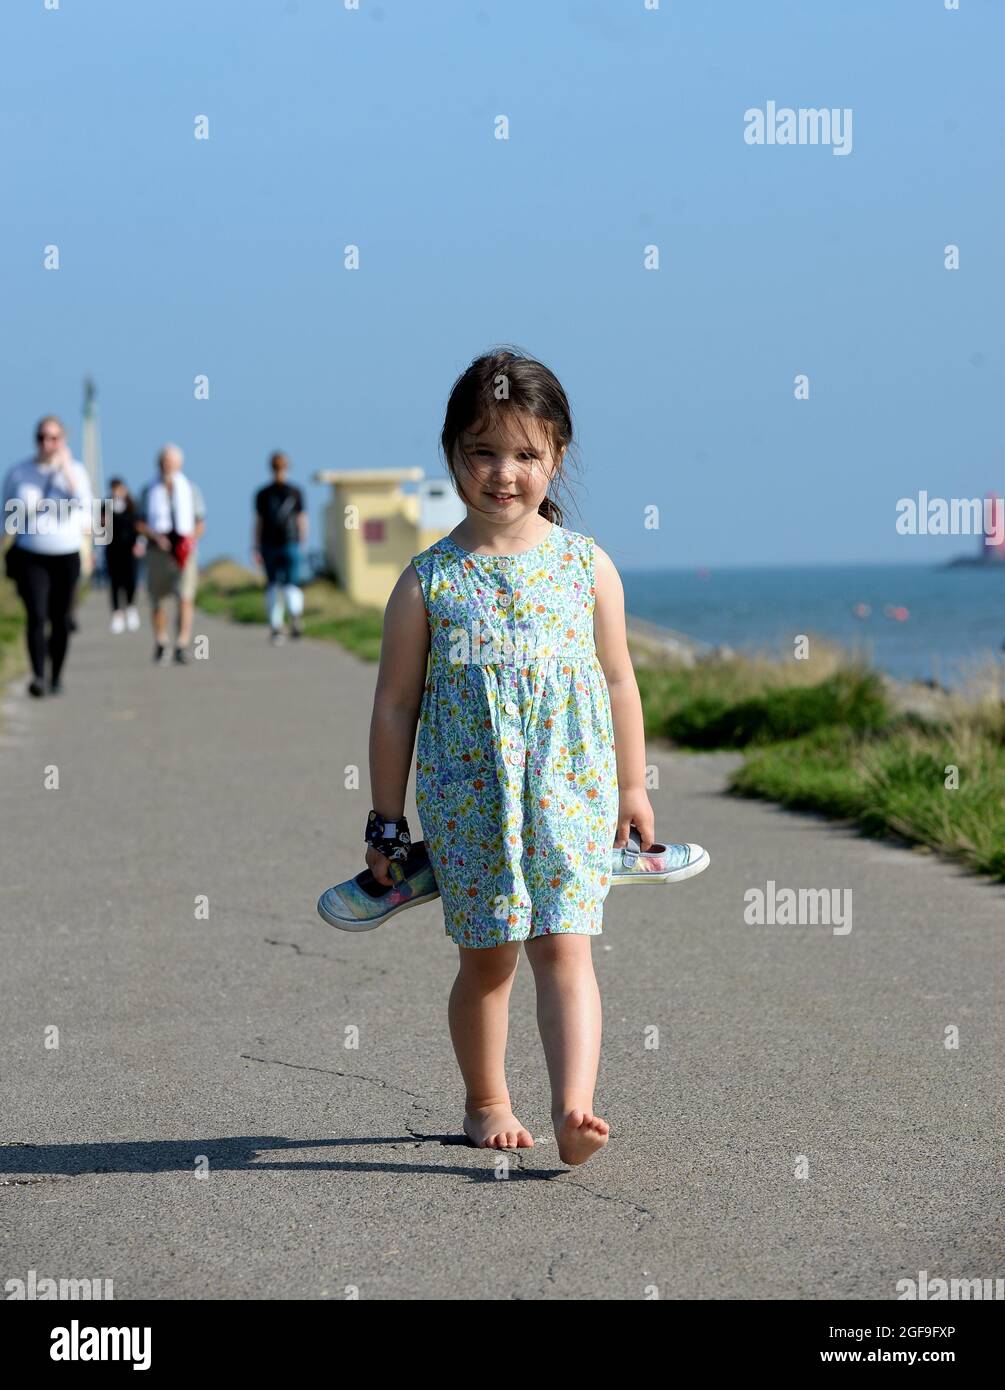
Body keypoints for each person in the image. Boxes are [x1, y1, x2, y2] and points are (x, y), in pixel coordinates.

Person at [362, 349, 660, 1167]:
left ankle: (573, 1106)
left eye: (526, 454)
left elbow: (617, 678)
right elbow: (394, 706)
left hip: (571, 792)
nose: (504, 473)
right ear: (453, 455)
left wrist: (632, 785)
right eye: (484, 452)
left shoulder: (585, 566)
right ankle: (486, 1098)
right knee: (489, 958)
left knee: (565, 945)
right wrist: (386, 823)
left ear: (556, 455)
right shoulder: (428, 581)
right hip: (469, 802)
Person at [2, 415, 92, 697]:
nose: (47, 443)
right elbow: (5, 514)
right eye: (42, 437)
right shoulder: (19, 473)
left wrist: (65, 469)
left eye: (53, 438)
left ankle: (56, 675)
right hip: (31, 554)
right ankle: (38, 676)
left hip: (66, 553)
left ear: (63, 440)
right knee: (37, 615)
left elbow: (86, 507)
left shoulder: (76, 471)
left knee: (61, 618)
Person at [135, 444, 206, 665]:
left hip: (184, 551)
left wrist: (190, 540)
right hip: (158, 551)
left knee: (185, 597)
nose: (168, 466)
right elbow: (139, 522)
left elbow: (200, 521)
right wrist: (155, 537)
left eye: (172, 462)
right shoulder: (149, 491)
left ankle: (183, 643)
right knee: (157, 600)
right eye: (165, 462)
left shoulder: (190, 489)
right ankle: (161, 641)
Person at [253, 451, 307, 645]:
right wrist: (302, 542)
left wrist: (256, 547)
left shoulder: (263, 493)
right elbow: (302, 520)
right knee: (291, 584)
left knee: (275, 585)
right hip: (289, 543)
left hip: (271, 544)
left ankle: (278, 626)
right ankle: (294, 617)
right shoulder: (296, 492)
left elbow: (258, 522)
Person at [100, 478, 142, 634]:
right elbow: (100, 530)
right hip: (112, 550)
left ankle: (131, 607)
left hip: (130, 549)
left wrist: (140, 544)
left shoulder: (132, 505)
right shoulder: (105, 506)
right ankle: (117, 614)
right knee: (115, 582)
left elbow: (139, 526)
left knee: (131, 580)